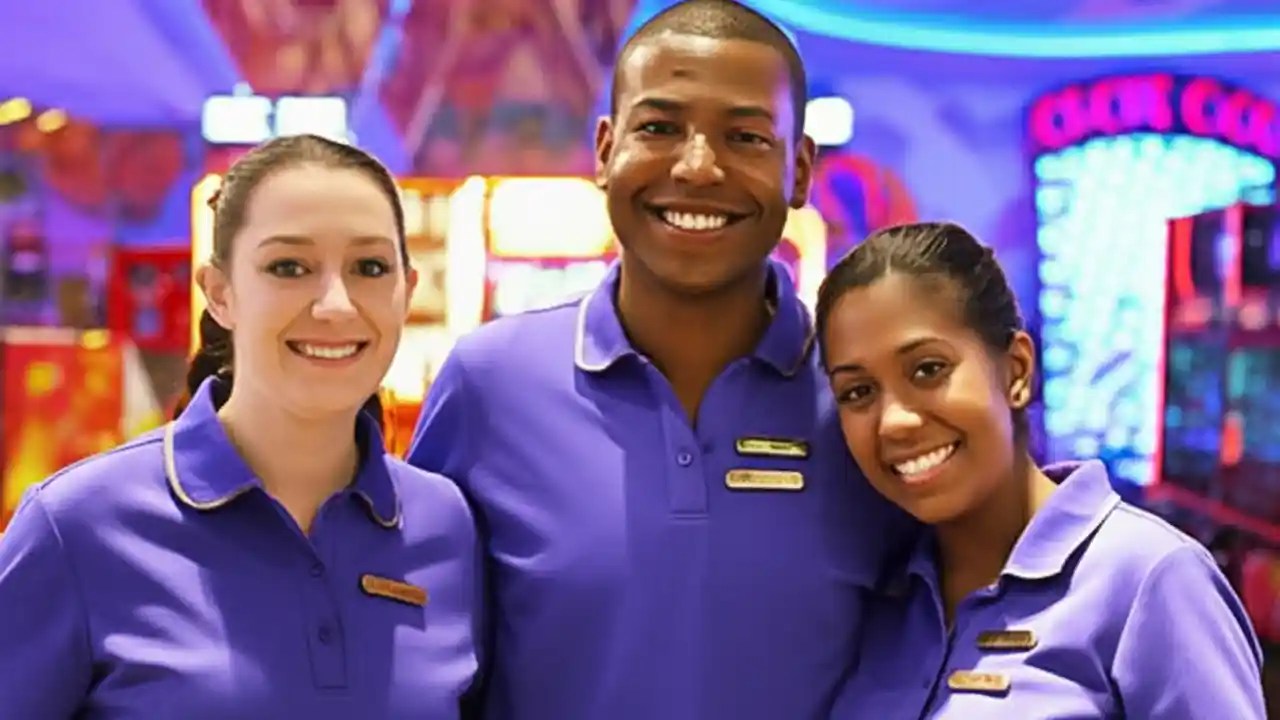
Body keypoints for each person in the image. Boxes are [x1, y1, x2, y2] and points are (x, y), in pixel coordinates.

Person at [405, 2, 915, 719]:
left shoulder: (867, 403)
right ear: (605, 150)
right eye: (659, 128)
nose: (698, 166)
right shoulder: (490, 384)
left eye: (744, 136)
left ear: (798, 171)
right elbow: (414, 658)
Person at [0, 134, 482, 719]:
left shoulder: (447, 527)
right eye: (289, 267)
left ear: (406, 291)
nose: (335, 304)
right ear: (221, 293)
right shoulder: (76, 526)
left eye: (369, 267)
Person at [817, 221, 1265, 718]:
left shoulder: (1149, 578)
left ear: (1015, 371)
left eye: (928, 369)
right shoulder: (884, 596)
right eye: (858, 392)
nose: (894, 422)